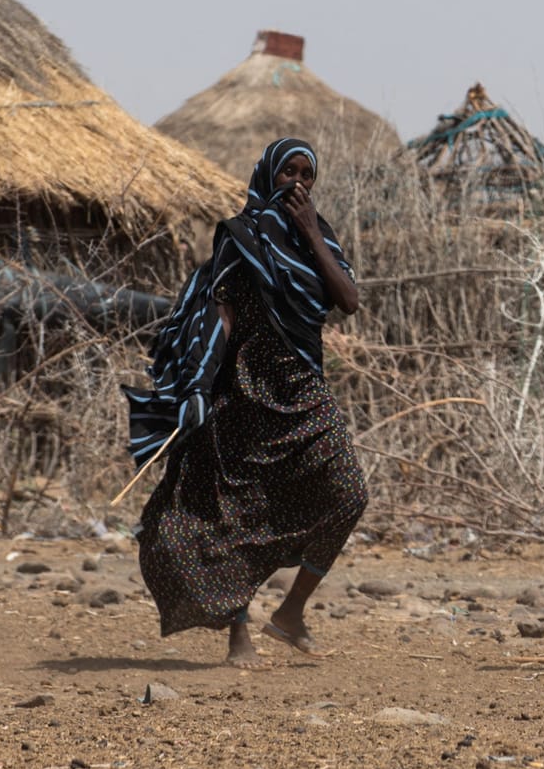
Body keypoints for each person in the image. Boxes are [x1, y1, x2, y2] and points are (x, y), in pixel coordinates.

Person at [123, 138, 367, 667]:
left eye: (307, 175)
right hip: (244, 392)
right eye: (288, 173)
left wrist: (308, 233)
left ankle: (291, 611)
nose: (297, 183)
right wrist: (198, 387)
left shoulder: (318, 236)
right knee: (235, 513)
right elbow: (221, 315)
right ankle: (239, 635)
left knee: (349, 494)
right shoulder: (242, 237)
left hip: (304, 389)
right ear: (266, 175)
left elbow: (347, 300)